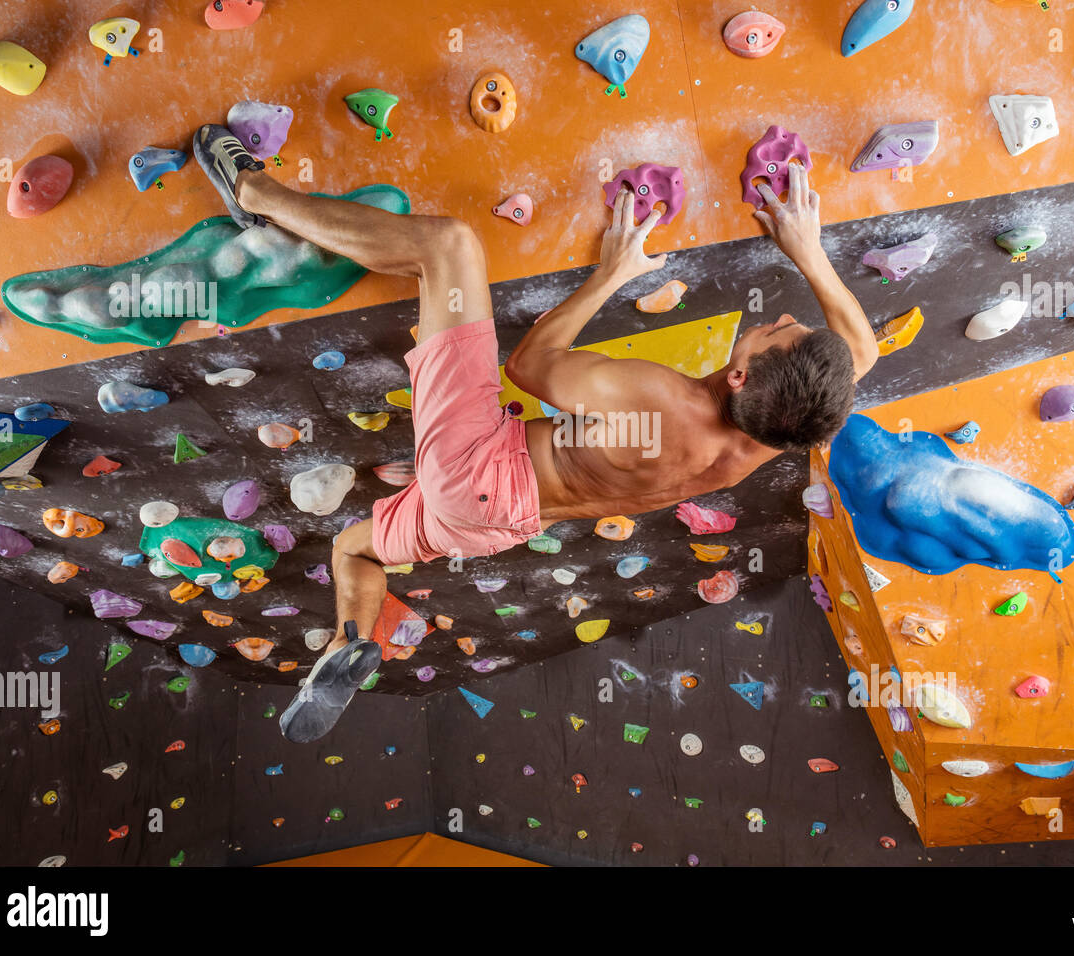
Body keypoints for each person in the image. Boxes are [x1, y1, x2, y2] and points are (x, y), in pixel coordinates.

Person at [193, 125, 876, 742]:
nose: (783, 320)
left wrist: (610, 274)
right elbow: (859, 353)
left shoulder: (660, 401)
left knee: (446, 246)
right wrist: (807, 250)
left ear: (737, 378)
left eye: (779, 334)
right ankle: (345, 642)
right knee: (355, 551)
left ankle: (255, 190)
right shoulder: (784, 426)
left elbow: (530, 365)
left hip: (478, 467)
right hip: (506, 521)